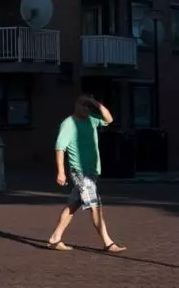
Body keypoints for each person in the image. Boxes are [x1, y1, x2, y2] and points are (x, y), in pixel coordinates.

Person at [47, 95, 126, 253]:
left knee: (73, 205)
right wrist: (61, 172)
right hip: (80, 173)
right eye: (85, 106)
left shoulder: (91, 119)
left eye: (90, 107)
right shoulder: (69, 124)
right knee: (95, 206)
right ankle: (108, 243)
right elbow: (60, 148)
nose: (88, 109)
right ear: (77, 106)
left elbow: (109, 119)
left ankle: (55, 238)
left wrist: (97, 103)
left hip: (92, 172)